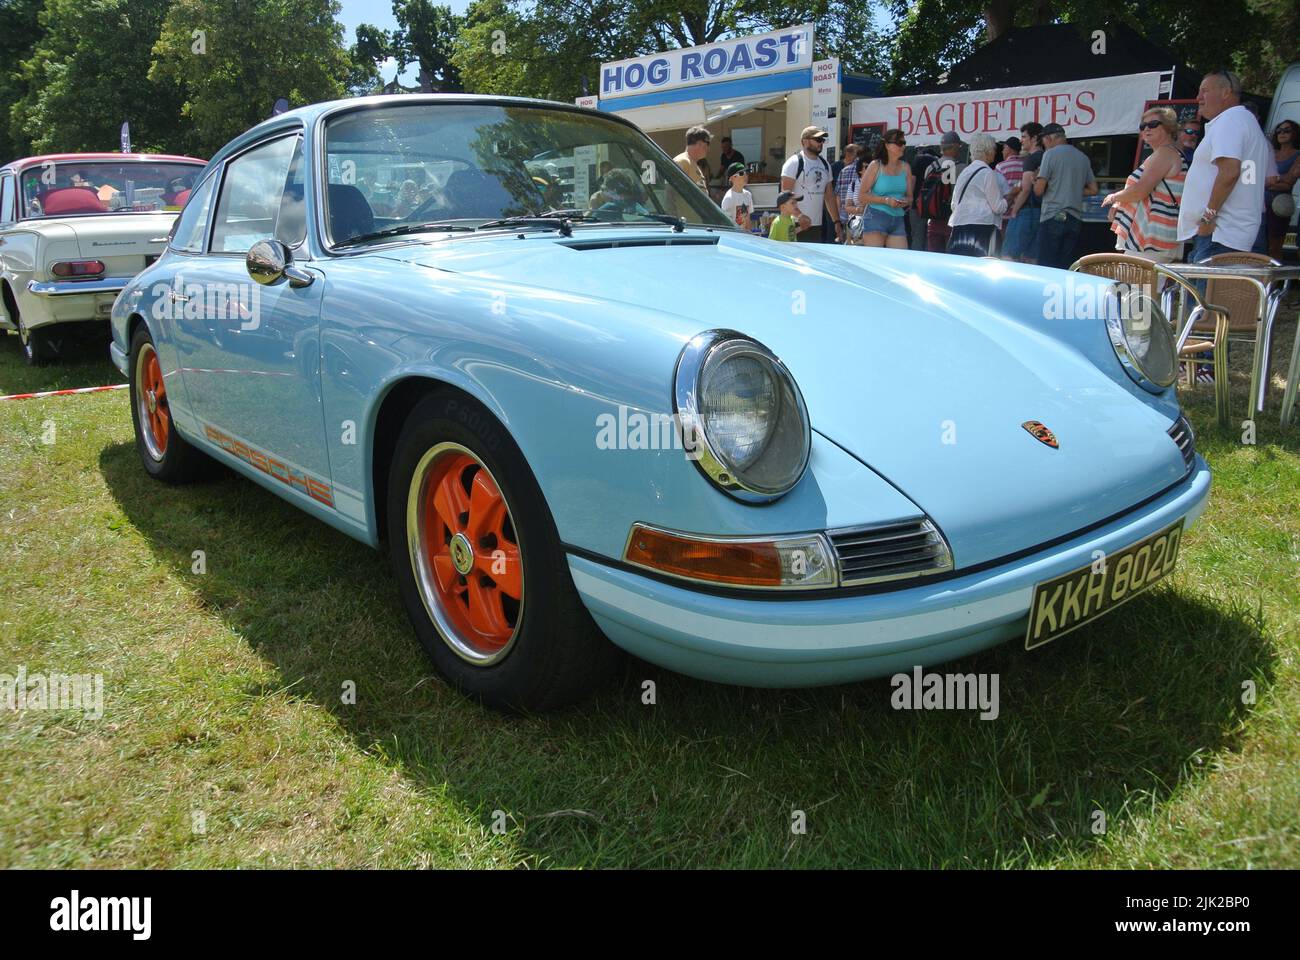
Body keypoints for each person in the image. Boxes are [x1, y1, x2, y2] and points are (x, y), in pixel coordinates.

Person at [1177, 70, 1274, 262]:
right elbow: (1247, 177)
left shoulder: (1229, 120)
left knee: (1204, 293)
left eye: (1205, 91)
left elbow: (1230, 173)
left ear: (1226, 92)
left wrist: (1208, 217)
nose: (1198, 98)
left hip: (1220, 234)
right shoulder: (1247, 123)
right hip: (1235, 233)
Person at [1102, 107, 1187, 262]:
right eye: (1143, 126)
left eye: (1153, 124)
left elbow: (1140, 190)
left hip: (1152, 238)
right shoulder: (1166, 153)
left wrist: (1114, 197)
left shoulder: (1165, 153)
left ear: (1168, 127)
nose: (1147, 128)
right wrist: (1121, 201)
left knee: (1138, 286)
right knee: (1144, 285)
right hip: (1156, 238)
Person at [1032, 123, 1098, 269]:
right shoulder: (1083, 157)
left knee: (1046, 266)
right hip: (1075, 219)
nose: (1043, 145)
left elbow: (1039, 190)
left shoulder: (1050, 154)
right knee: (1066, 267)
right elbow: (1093, 190)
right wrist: (1070, 189)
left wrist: (1035, 179)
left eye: (1043, 141)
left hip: (1052, 215)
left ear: (1049, 138)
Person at [947, 133, 1007, 256]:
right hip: (982, 228)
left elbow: (954, 204)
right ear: (988, 151)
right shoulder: (987, 173)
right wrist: (1009, 198)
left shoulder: (965, 172)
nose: (996, 153)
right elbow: (997, 207)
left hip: (959, 226)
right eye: (994, 149)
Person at [780, 125, 841, 243]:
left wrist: (836, 222)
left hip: (816, 224)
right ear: (805, 141)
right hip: (796, 223)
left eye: (822, 140)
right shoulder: (793, 162)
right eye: (818, 140)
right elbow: (785, 195)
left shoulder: (825, 164)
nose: (821, 143)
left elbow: (829, 196)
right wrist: (799, 216)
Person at [856, 129, 912, 248]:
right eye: (899, 142)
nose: (903, 146)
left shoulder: (906, 167)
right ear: (887, 145)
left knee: (900, 262)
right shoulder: (876, 165)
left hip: (898, 218)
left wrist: (904, 201)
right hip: (876, 217)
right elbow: (862, 196)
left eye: (904, 142)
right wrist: (886, 201)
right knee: (874, 262)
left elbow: (910, 197)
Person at [1003, 122, 1043, 261]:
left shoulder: (1031, 159)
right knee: (1031, 258)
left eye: (1024, 136)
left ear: (1034, 138)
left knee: (1009, 256)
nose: (1021, 140)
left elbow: (1026, 189)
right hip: (1041, 212)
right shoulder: (1047, 157)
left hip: (1026, 212)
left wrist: (1014, 211)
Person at [924, 131, 966, 252]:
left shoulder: (931, 167)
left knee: (934, 259)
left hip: (933, 219)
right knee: (952, 259)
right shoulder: (962, 168)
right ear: (954, 146)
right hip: (953, 219)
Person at [1265, 119, 1300, 261]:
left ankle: (1275, 282)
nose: (1282, 133)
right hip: (1261, 204)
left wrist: (1268, 181)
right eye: (1279, 130)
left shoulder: (1298, 155)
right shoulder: (1270, 152)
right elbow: (1256, 178)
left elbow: (1289, 181)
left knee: (1274, 247)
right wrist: (1278, 179)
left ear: (1295, 133)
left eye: (1287, 130)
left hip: (1280, 206)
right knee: (1259, 244)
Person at [908, 145, 939, 250]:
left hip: (917, 203)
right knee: (929, 236)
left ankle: (915, 261)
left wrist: (909, 200)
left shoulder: (918, 160)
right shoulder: (937, 161)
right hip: (933, 204)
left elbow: (912, 180)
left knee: (917, 235)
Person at [994, 136, 1023, 238]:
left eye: (1004, 148)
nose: (1002, 151)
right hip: (1021, 213)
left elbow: (996, 190)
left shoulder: (1000, 166)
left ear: (1010, 149)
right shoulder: (1026, 165)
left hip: (1004, 214)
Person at [834, 143, 864, 241]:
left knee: (846, 245)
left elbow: (837, 195)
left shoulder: (843, 170)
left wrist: (838, 216)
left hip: (844, 215)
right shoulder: (865, 170)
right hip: (860, 217)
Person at [674, 126, 712, 191]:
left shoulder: (692, 163)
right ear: (699, 143)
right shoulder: (682, 162)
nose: (708, 148)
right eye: (707, 143)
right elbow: (672, 192)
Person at [720, 163, 755, 230]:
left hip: (745, 237)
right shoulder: (728, 198)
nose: (745, 176)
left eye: (746, 172)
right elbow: (725, 223)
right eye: (741, 173)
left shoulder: (748, 195)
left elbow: (748, 219)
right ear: (732, 178)